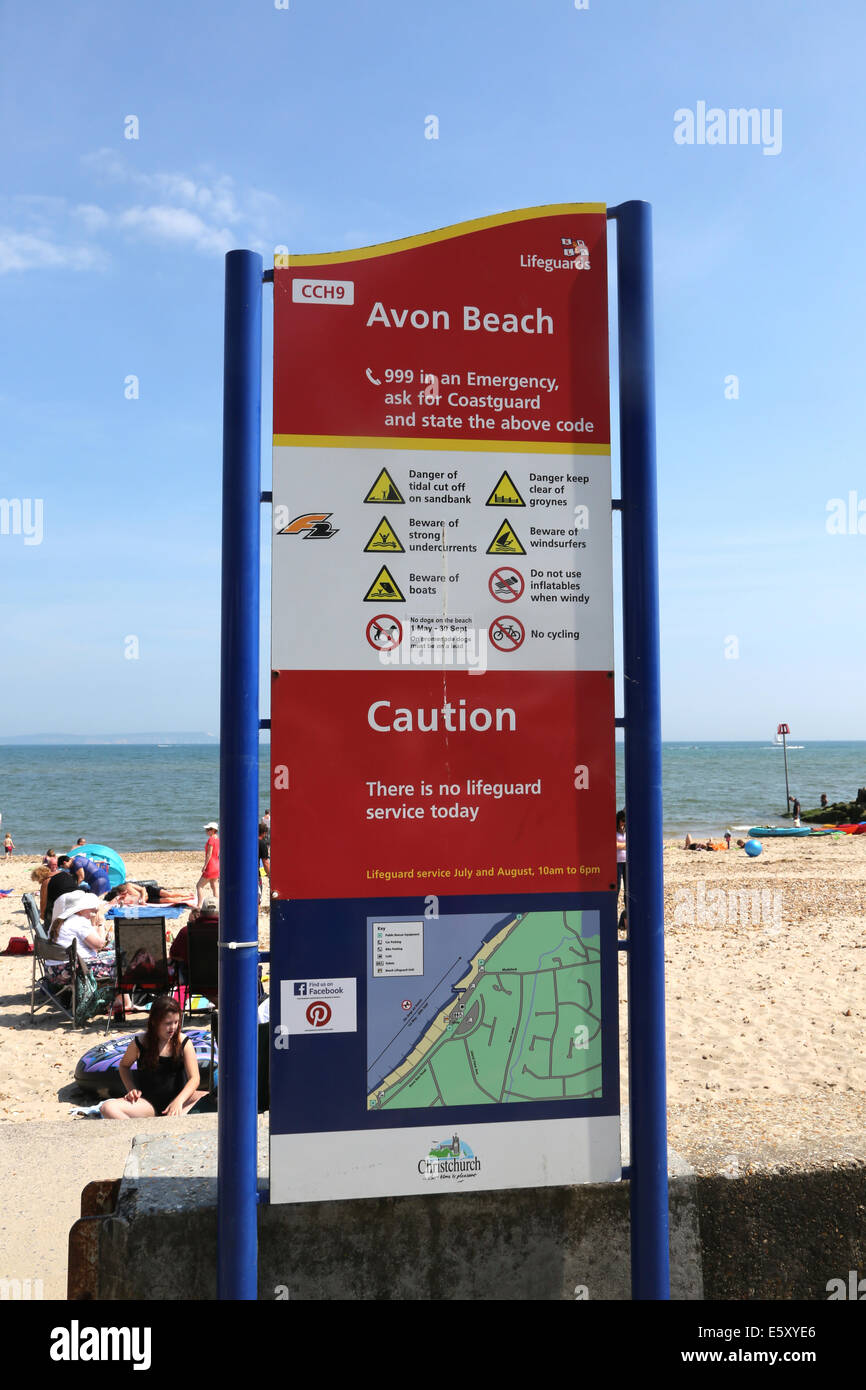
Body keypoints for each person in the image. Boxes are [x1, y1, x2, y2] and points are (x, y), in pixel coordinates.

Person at [98, 996, 205, 1119]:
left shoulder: (184, 1042)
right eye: (168, 1023)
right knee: (107, 1107)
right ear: (154, 1022)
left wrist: (178, 1101)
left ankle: (171, 1119)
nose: (173, 1028)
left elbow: (195, 1078)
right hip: (148, 1104)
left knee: (219, 1098)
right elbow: (124, 1066)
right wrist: (131, 1089)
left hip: (181, 1101)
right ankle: (140, 1131)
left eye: (176, 1022)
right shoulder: (140, 1042)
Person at [46, 890, 115, 984]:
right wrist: (101, 924)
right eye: (92, 910)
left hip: (53, 971)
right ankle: (121, 997)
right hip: (73, 971)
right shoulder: (78, 921)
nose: (93, 914)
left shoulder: (58, 921)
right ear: (81, 909)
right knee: (119, 962)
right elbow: (99, 945)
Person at [44, 856, 78, 926]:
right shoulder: (66, 873)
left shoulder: (47, 879)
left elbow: (44, 900)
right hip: (76, 897)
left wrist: (42, 914)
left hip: (63, 901)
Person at [105, 881, 192, 907]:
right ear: (119, 893)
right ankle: (186, 899)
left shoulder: (129, 885)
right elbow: (110, 904)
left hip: (149, 891)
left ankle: (186, 894)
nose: (126, 894)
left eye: (126, 892)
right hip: (148, 900)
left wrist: (142, 898)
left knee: (169, 894)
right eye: (123, 894)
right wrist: (119, 898)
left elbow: (143, 889)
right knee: (169, 900)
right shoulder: (121, 897)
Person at [196, 822, 220, 907]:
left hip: (211, 865)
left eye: (208, 829)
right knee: (214, 886)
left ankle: (199, 905)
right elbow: (217, 853)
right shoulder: (218, 839)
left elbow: (209, 854)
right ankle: (217, 905)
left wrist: (205, 866)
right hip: (217, 864)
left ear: (213, 830)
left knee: (199, 886)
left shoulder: (211, 839)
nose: (206, 831)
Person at [615, 810, 626, 902]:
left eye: (625, 820)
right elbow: (615, 845)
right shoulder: (614, 831)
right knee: (617, 887)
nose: (624, 823)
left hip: (626, 861)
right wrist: (626, 846)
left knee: (628, 887)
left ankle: (628, 910)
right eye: (622, 820)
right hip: (617, 862)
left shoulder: (626, 830)